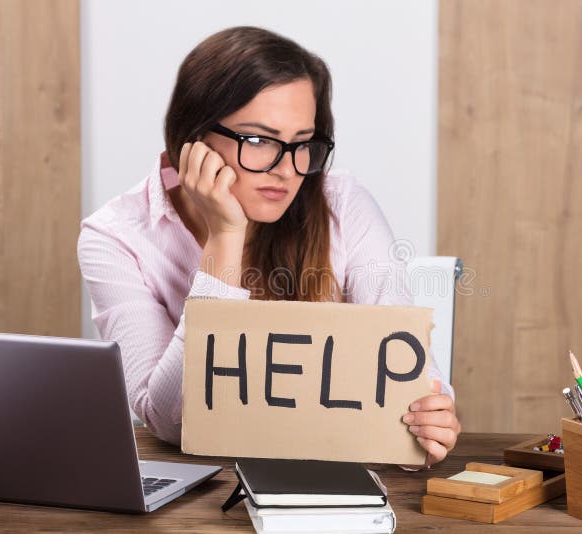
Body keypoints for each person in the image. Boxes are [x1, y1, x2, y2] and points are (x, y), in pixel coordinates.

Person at [77, 26, 460, 467]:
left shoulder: (342, 202)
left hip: (331, 473)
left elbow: (415, 380)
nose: (287, 170)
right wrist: (225, 237)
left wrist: (430, 421)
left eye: (302, 143)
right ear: (193, 138)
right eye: (258, 140)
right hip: (207, 480)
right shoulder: (115, 236)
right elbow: (169, 419)